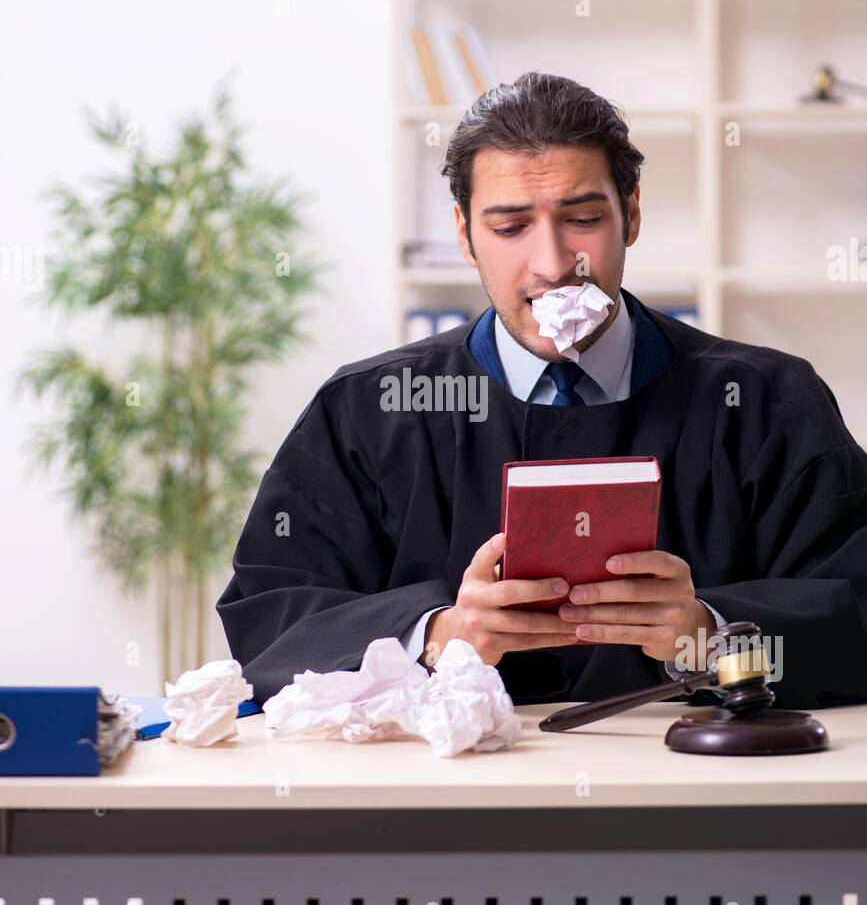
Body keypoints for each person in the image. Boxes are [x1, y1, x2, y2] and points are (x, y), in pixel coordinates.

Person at [216, 72, 867, 709]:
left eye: (582, 218)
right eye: (509, 229)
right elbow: (268, 623)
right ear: (464, 235)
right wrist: (439, 636)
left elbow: (856, 609)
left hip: (704, 798)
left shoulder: (764, 403)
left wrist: (712, 635)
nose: (554, 266)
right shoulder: (366, 411)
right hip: (439, 802)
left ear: (630, 215)